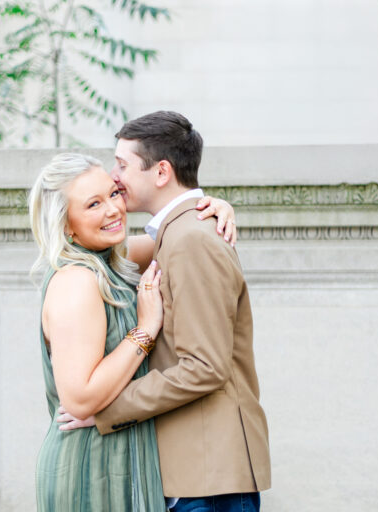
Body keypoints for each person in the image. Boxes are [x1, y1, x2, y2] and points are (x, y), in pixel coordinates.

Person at [59, 111, 271, 512]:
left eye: (122, 164)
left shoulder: (192, 238)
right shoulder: (177, 233)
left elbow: (205, 367)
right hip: (196, 477)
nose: (114, 176)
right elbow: (109, 254)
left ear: (160, 172)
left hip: (209, 481)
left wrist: (105, 411)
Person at [28, 153, 237, 511]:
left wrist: (213, 208)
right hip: (90, 468)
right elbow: (79, 399)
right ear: (66, 225)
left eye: (113, 194)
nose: (113, 210)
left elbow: (176, 236)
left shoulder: (113, 260)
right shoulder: (77, 281)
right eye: (93, 204)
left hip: (119, 460)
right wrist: (145, 329)